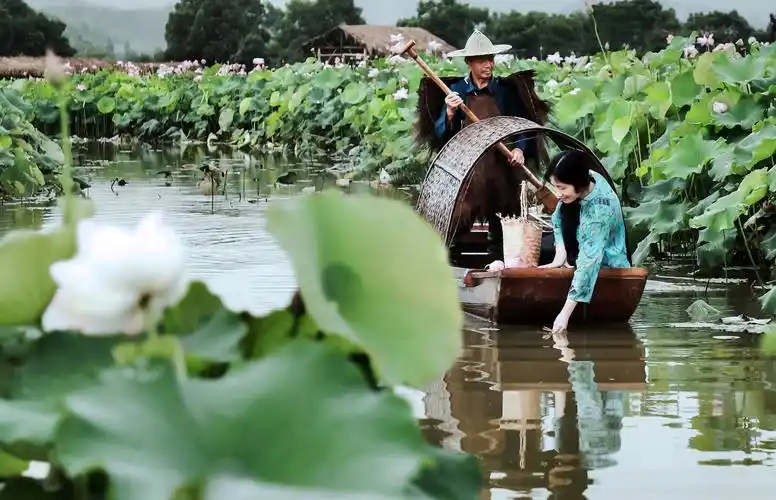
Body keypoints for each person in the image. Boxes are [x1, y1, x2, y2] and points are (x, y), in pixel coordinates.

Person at [414, 30, 550, 265]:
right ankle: (448, 266)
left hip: (502, 166)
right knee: (457, 218)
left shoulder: (504, 91)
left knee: (505, 222)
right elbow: (440, 134)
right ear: (469, 63)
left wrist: (519, 149)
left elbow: (523, 127)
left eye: (490, 59)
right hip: (469, 169)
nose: (489, 64)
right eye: (482, 60)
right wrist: (448, 112)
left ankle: (499, 266)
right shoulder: (456, 91)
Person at [539, 149, 631, 334]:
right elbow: (557, 218)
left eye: (562, 188)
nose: (557, 194)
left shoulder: (600, 211)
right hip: (578, 244)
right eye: (555, 187)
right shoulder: (587, 176)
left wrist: (564, 315)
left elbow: (589, 263)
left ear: (579, 184)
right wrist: (560, 255)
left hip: (605, 261)